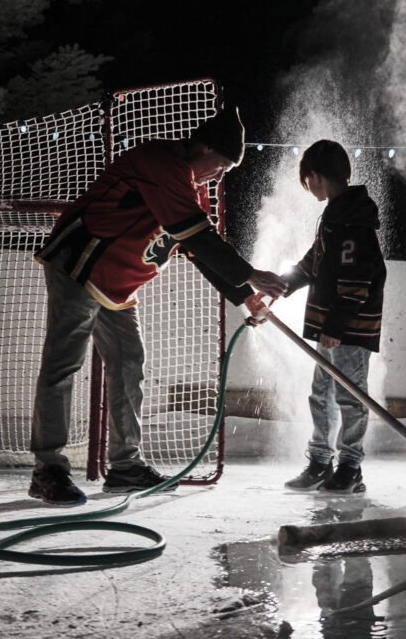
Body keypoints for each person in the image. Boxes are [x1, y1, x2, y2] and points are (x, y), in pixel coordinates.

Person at [28, 105, 287, 505]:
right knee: (64, 364)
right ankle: (48, 469)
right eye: (218, 166)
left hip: (118, 284)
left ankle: (125, 466)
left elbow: (200, 251)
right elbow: (197, 235)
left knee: (130, 362)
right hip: (81, 265)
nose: (218, 176)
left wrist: (245, 297)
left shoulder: (194, 187)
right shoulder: (159, 162)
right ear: (201, 148)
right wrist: (250, 273)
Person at [281, 139, 387, 495]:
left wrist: (335, 325)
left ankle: (350, 468)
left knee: (349, 396)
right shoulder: (335, 214)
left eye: (306, 180)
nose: (307, 187)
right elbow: (316, 260)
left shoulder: (353, 218)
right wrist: (284, 284)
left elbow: (358, 279)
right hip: (332, 328)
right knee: (322, 392)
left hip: (347, 330)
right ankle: (320, 461)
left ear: (315, 176)